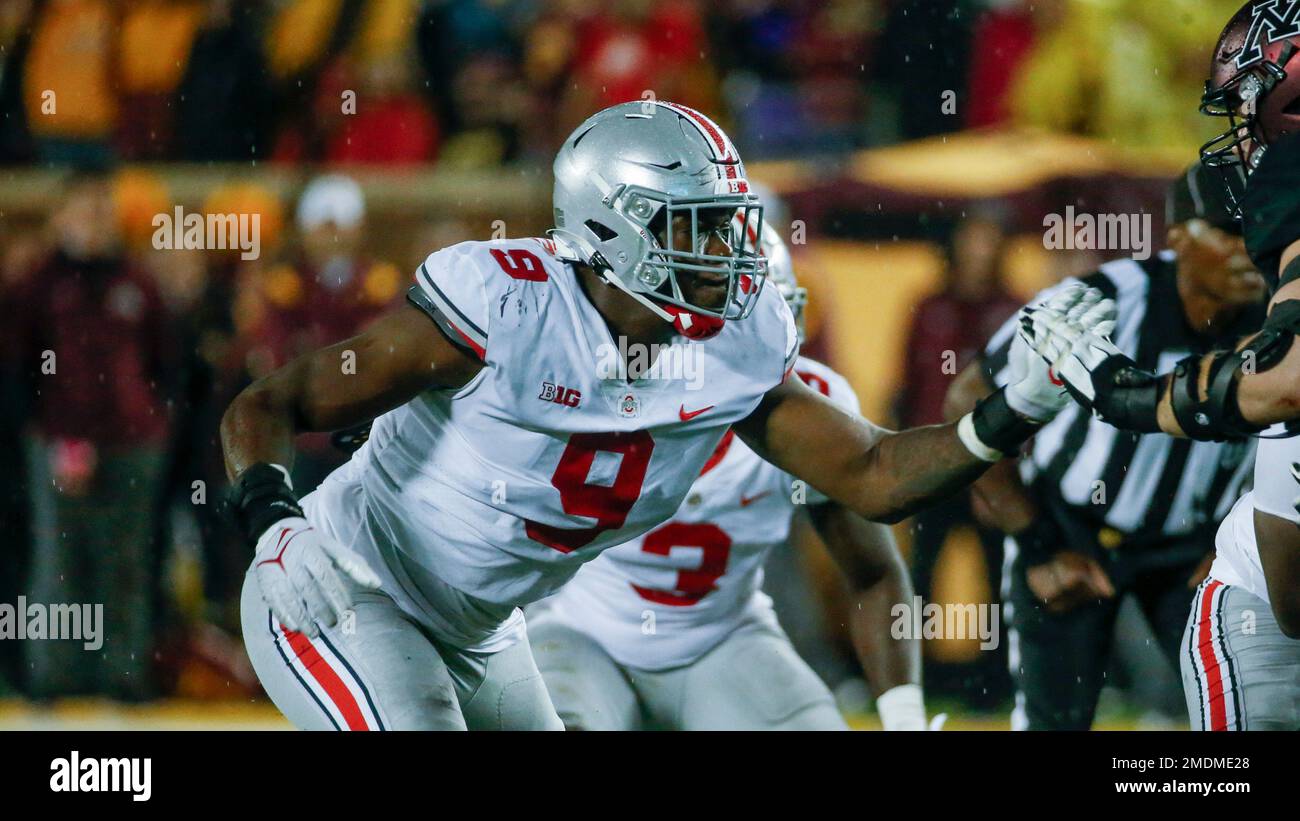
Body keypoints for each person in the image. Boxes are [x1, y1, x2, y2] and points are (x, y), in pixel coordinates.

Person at [221, 100, 1098, 730]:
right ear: (614, 230)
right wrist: (273, 522)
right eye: (702, 227)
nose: (732, 253)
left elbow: (873, 478)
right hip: (348, 587)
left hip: (483, 632)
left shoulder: (732, 343)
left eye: (730, 225)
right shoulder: (506, 308)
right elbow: (271, 402)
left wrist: (1013, 409)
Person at [527, 221, 924, 731]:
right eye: (740, 332)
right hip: (581, 632)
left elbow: (873, 573)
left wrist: (904, 718)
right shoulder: (596, 384)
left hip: (722, 637)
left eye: (772, 326)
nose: (755, 351)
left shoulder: (817, 411)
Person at [1025, 1, 1300, 729]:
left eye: (1247, 107)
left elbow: (1289, 382)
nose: (1240, 137)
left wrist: (1129, 395)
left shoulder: (1288, 186)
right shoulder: (1113, 292)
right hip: (1102, 534)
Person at [946, 163, 1266, 729]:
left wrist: (1242, 544)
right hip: (1071, 530)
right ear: (1177, 237)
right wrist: (1036, 539)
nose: (1248, 247)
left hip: (1197, 549)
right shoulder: (1100, 300)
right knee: (1054, 721)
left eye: (1259, 226)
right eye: (1228, 230)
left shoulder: (1280, 320)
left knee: (1252, 715)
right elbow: (965, 401)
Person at [9, 167, 175, 700]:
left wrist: (150, 420)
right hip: (57, 444)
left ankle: (121, 679)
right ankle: (51, 678)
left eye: (102, 210)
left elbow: (162, 361)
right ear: (61, 218)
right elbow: (19, 369)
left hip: (131, 442)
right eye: (83, 209)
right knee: (57, 564)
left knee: (124, 560)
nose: (94, 221)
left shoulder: (137, 283)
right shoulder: (37, 287)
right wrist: (54, 433)